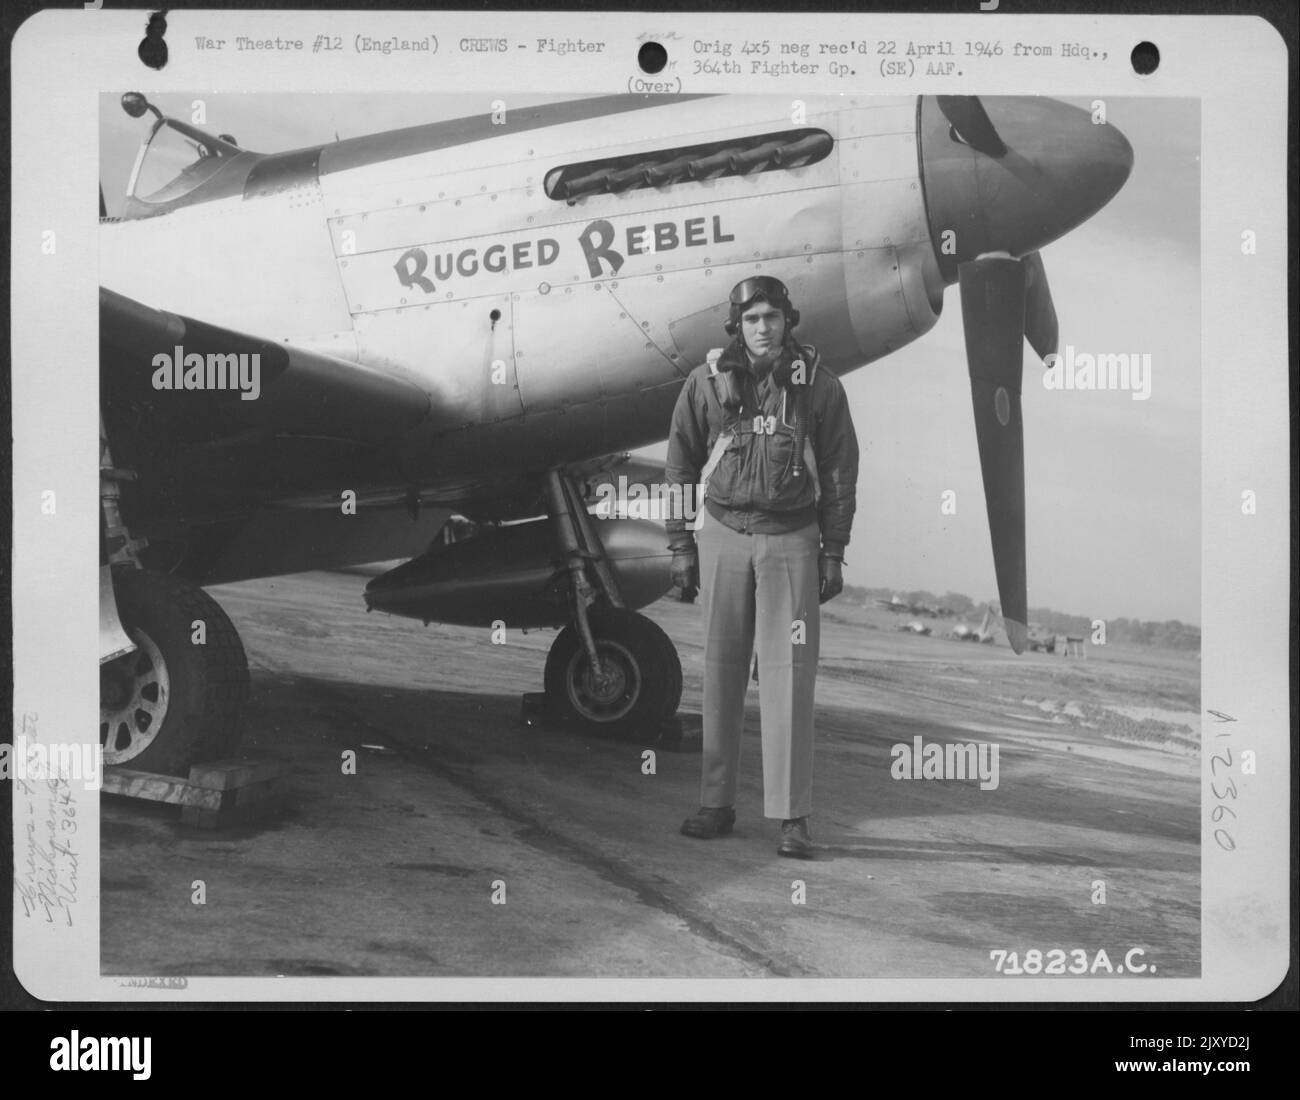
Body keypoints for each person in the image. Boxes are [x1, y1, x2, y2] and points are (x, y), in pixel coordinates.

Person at [665, 275, 859, 858]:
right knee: (721, 672)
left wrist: (833, 550)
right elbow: (679, 464)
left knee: (790, 676)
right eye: (751, 319)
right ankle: (715, 802)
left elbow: (839, 473)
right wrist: (680, 544)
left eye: (772, 317)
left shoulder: (820, 388)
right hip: (723, 534)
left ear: (788, 322)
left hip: (792, 539)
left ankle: (792, 817)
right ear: (737, 326)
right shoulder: (704, 383)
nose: (763, 328)